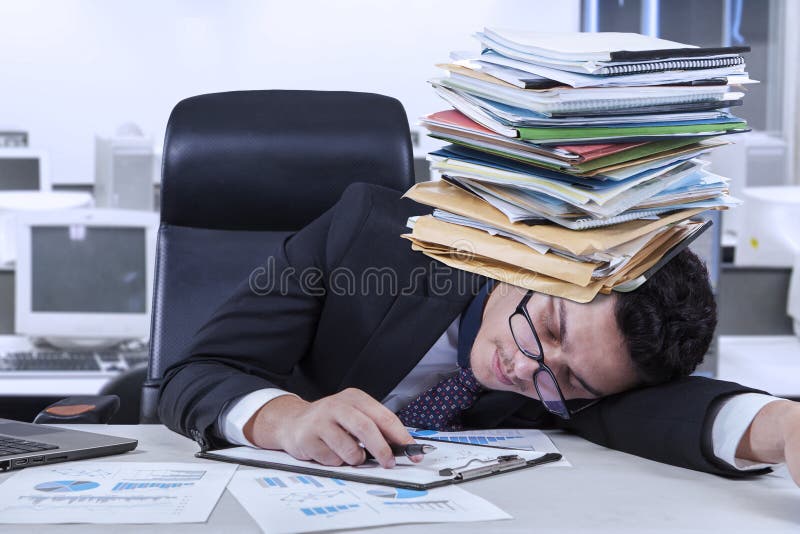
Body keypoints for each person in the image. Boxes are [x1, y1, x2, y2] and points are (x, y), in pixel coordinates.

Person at [158, 183, 800, 483]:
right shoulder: (368, 237)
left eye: (569, 379)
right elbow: (193, 375)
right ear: (538, 262)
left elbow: (666, 412)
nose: (527, 369)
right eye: (545, 327)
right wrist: (286, 419)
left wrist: (785, 426)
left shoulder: (580, 378)